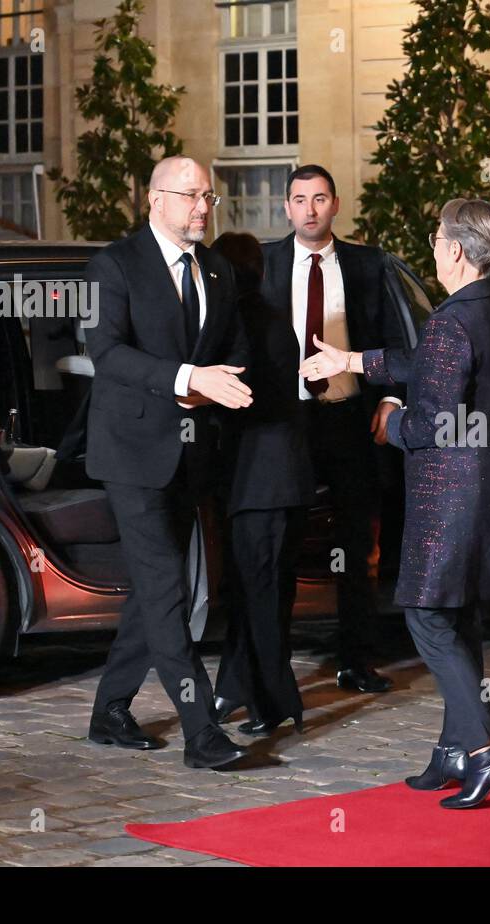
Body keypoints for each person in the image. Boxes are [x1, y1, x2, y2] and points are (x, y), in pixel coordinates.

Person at [302, 198, 490, 809]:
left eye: (436, 235)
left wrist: (391, 420)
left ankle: (484, 750)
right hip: (481, 487)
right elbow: (424, 364)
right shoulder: (485, 311)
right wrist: (351, 360)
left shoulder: (453, 319)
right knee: (459, 618)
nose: (432, 243)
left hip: (449, 493)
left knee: (426, 617)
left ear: (453, 249)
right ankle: (457, 747)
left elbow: (433, 422)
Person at [83, 155, 252, 770]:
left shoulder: (216, 269)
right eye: (190, 196)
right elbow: (107, 353)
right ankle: (201, 732)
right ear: (155, 199)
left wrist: (219, 382)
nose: (203, 207)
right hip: (131, 454)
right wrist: (185, 377)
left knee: (157, 591)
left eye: (208, 196)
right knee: (166, 590)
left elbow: (231, 347)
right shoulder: (115, 264)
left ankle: (109, 712)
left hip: (192, 452)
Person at [256, 164, 408, 695]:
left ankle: (356, 661)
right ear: (287, 207)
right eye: (300, 200)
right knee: (282, 542)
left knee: (357, 546)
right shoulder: (265, 264)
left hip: (349, 420)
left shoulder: (367, 265)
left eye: (320, 198)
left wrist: (390, 399)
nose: (310, 209)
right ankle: (272, 670)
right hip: (286, 424)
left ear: (336, 204)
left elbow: (396, 341)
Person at [210, 230, 314, 737]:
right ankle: (236, 685)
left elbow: (240, 402)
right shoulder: (274, 319)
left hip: (260, 483)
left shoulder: (237, 324)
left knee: (262, 594)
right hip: (278, 481)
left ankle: (273, 702)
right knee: (262, 591)